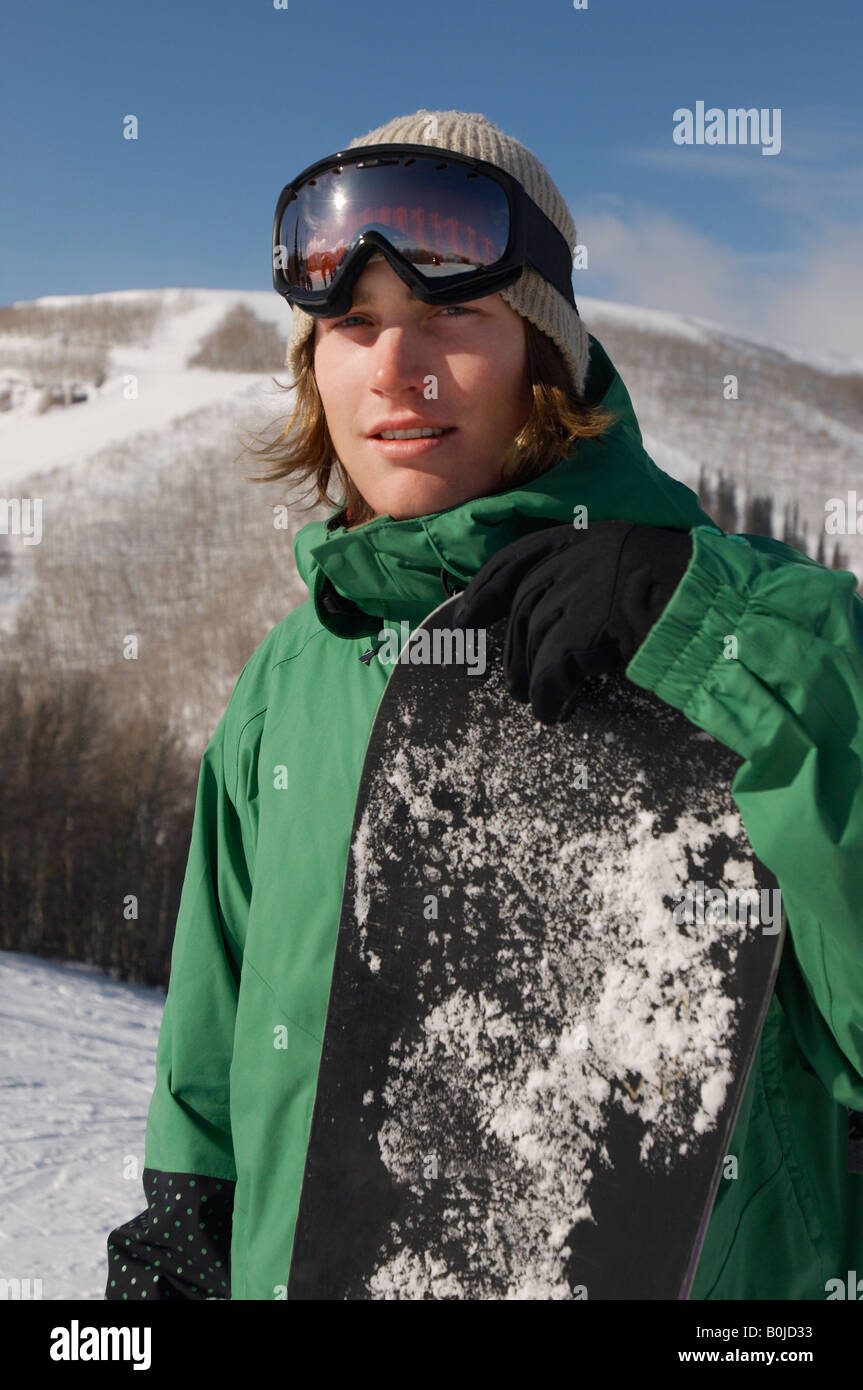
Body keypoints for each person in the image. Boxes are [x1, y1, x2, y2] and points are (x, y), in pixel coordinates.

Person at [105, 108, 863, 1301]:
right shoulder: (288, 680)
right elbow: (221, 1034)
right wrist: (179, 1243)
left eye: (452, 316)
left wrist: (709, 634)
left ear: (544, 357)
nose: (394, 373)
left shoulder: (773, 637)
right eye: (350, 326)